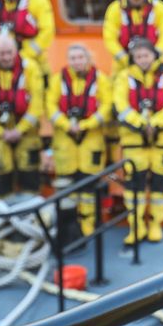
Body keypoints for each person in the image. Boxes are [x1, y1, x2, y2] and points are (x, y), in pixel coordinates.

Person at [114, 37, 163, 244]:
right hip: (134, 140)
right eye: (138, 56)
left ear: (154, 55)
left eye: (146, 55)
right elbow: (120, 105)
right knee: (133, 184)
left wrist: (154, 124)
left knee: (160, 182)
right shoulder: (123, 77)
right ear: (133, 58)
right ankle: (136, 227)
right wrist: (140, 125)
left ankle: (155, 224)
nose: (143, 59)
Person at [47, 44, 113, 236]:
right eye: (73, 58)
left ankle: (88, 225)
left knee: (88, 187)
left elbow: (106, 106)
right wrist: (66, 124)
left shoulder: (100, 79)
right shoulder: (57, 80)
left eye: (80, 57)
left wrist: (86, 125)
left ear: (87, 58)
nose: (76, 61)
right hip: (65, 142)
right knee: (67, 186)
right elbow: (50, 105)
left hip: (90, 141)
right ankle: (70, 226)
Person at [0, 34, 45, 200]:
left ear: (15, 51)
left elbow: (37, 104)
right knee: (0, 174)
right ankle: (3, 206)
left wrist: (19, 130)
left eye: (9, 52)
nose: (6, 57)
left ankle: (31, 205)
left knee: (30, 171)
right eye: (1, 53)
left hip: (26, 131)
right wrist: (1, 132)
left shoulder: (31, 68)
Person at [102, 0, 163, 76]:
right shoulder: (114, 9)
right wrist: (126, 59)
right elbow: (109, 39)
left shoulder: (159, 7)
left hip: (154, 65)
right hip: (123, 67)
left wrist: (154, 55)